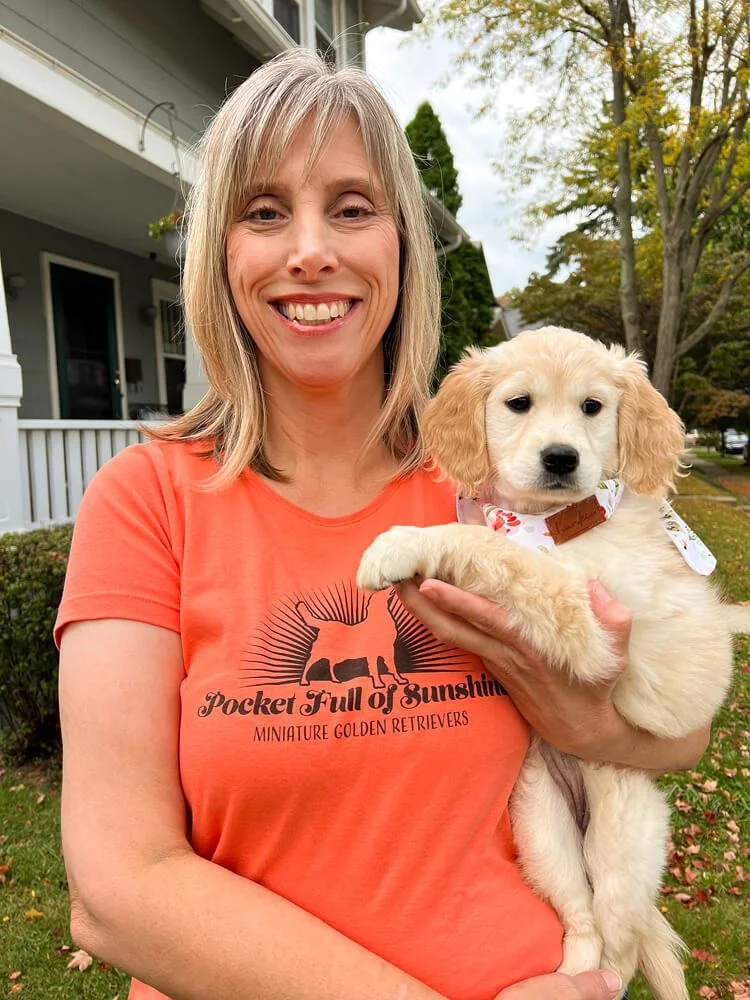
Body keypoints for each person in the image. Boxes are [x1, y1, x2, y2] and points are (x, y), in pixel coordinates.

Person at [56, 48, 708, 1000]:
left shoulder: (495, 488)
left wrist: (592, 722)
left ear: (400, 243)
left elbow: (679, 733)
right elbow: (117, 888)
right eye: (265, 211)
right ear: (220, 255)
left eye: (352, 208)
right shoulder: (146, 501)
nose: (310, 249)